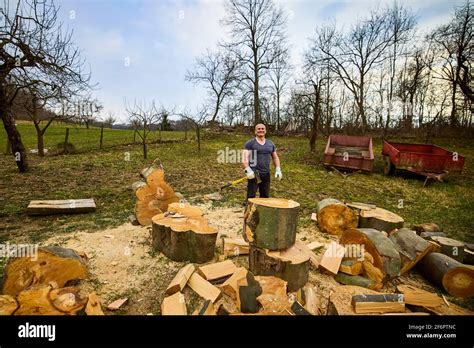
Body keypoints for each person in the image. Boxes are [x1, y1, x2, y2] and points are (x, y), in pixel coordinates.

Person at [242, 124, 282, 199]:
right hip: (254, 173)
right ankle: (249, 210)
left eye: (263, 129)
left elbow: (275, 157)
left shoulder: (270, 144)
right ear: (255, 131)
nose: (261, 130)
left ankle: (262, 210)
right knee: (251, 196)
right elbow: (244, 159)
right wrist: (248, 170)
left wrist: (278, 169)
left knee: (265, 196)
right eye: (259, 129)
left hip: (266, 173)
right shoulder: (250, 143)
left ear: (265, 131)